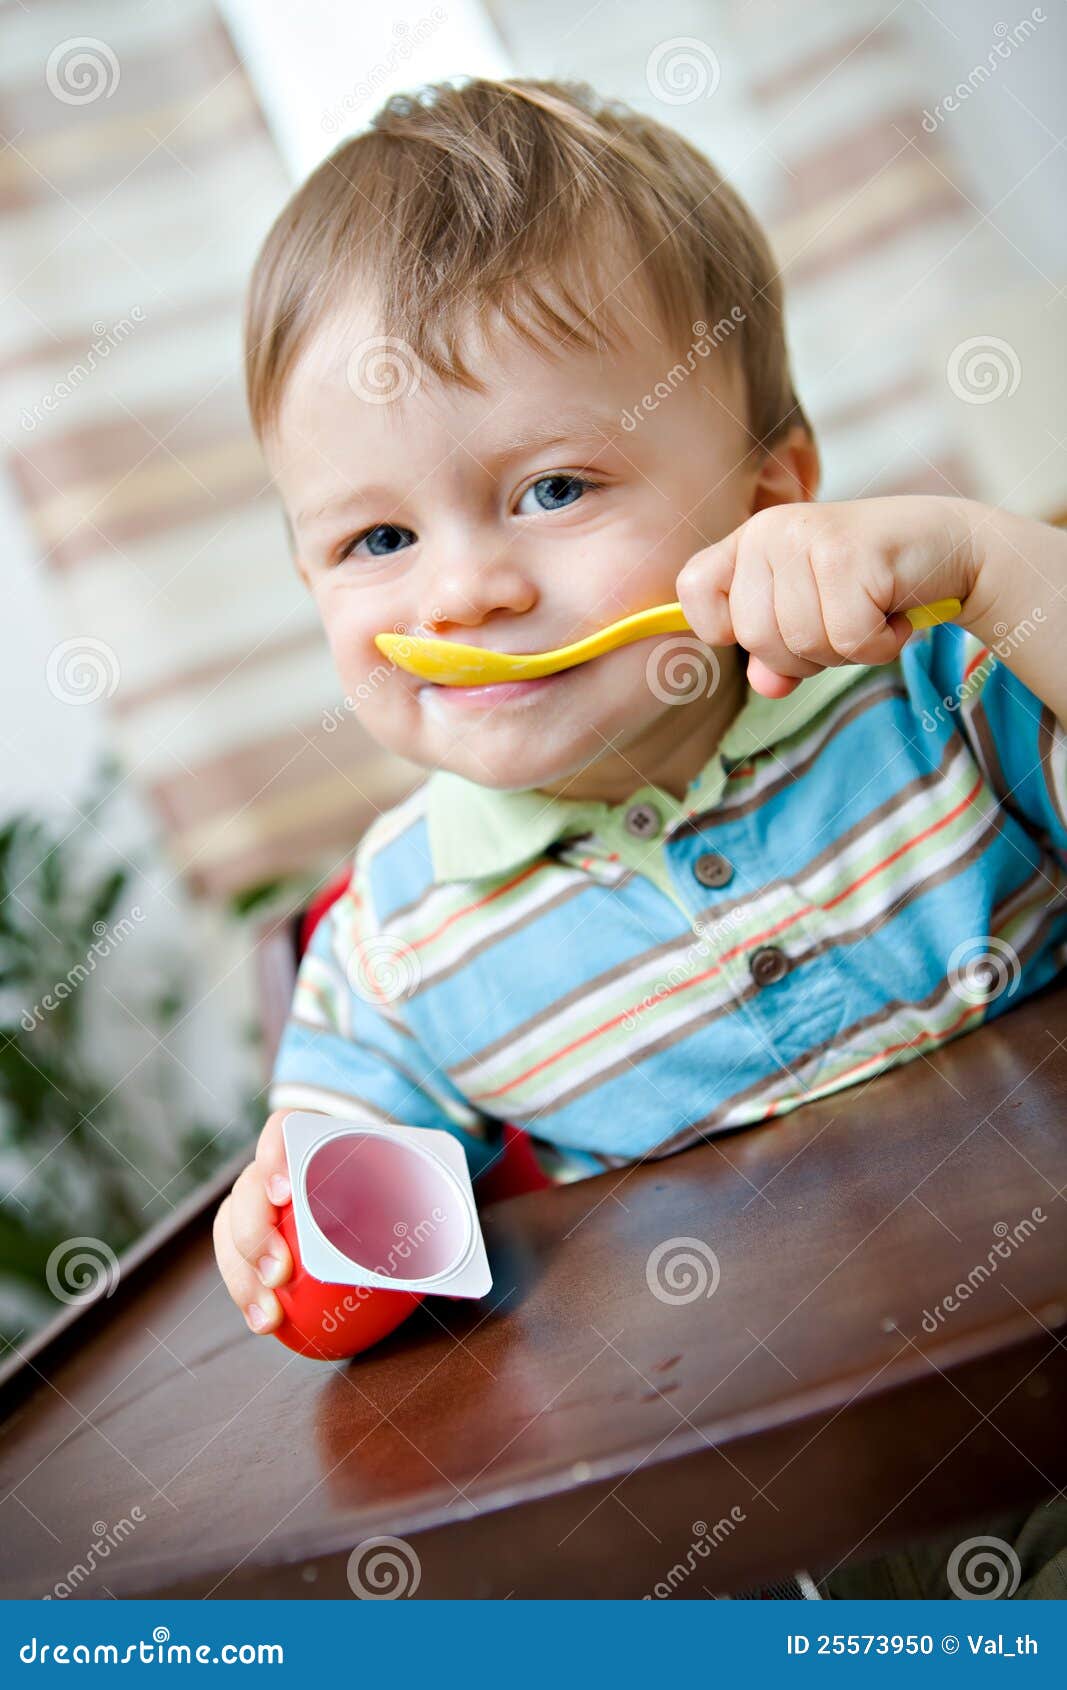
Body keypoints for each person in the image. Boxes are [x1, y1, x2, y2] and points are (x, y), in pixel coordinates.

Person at [212, 77, 1067, 1598]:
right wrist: (307, 1224)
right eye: (377, 540)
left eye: (553, 488)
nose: (460, 595)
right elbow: (374, 1226)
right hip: (811, 1537)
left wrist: (998, 571)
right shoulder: (399, 946)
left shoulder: (930, 689)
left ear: (771, 495)